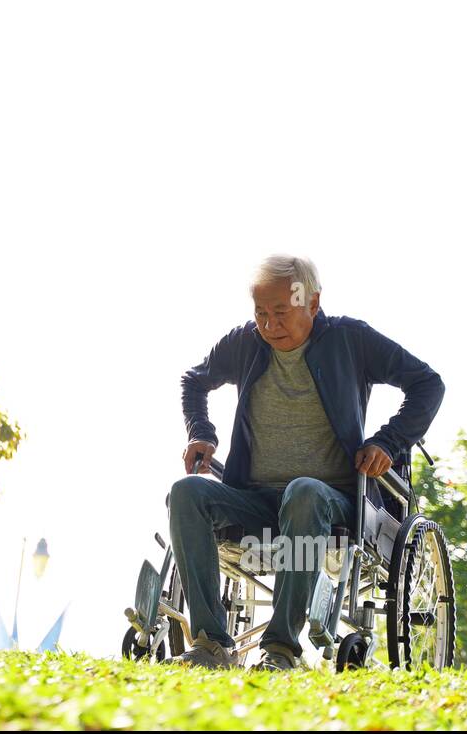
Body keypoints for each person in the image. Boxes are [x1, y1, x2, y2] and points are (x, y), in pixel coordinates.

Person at [162, 254, 444, 671]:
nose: (270, 325)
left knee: (304, 491)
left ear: (312, 304)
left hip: (330, 503)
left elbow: (427, 384)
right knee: (186, 492)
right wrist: (200, 431)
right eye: (261, 313)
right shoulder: (245, 342)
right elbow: (194, 380)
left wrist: (389, 440)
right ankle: (210, 644)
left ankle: (280, 649)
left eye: (281, 312)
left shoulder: (351, 339)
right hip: (254, 499)